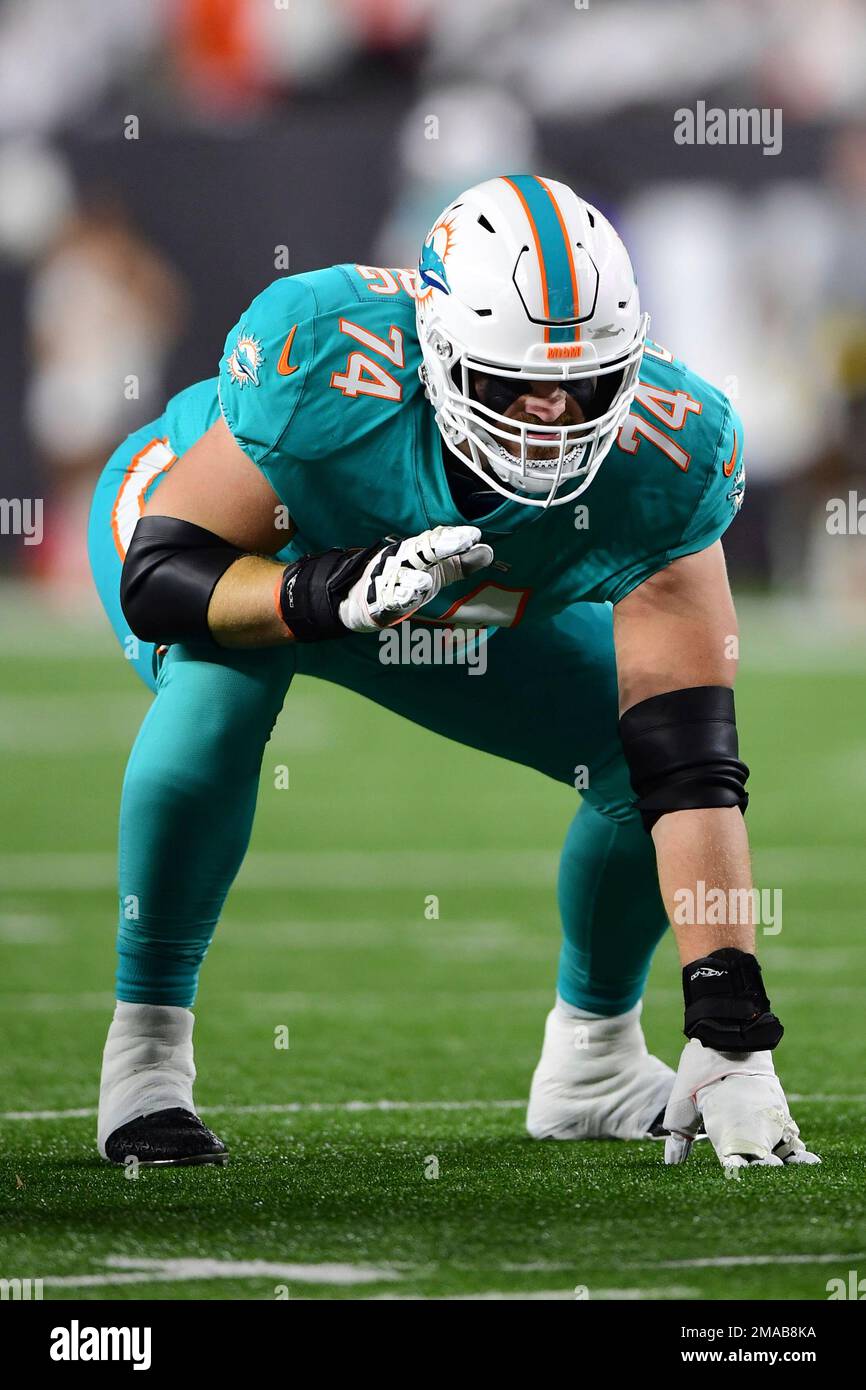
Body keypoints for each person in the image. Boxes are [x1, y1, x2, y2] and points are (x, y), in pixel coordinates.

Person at [87, 174, 818, 1170]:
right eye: (511, 383)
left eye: (584, 383)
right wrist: (323, 594)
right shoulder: (321, 363)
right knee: (219, 690)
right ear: (435, 355)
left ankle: (594, 1062)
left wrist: (729, 1024)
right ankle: (145, 1060)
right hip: (262, 555)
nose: (548, 416)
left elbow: (686, 758)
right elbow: (162, 574)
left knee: (626, 755)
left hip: (453, 590)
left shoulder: (669, 451)